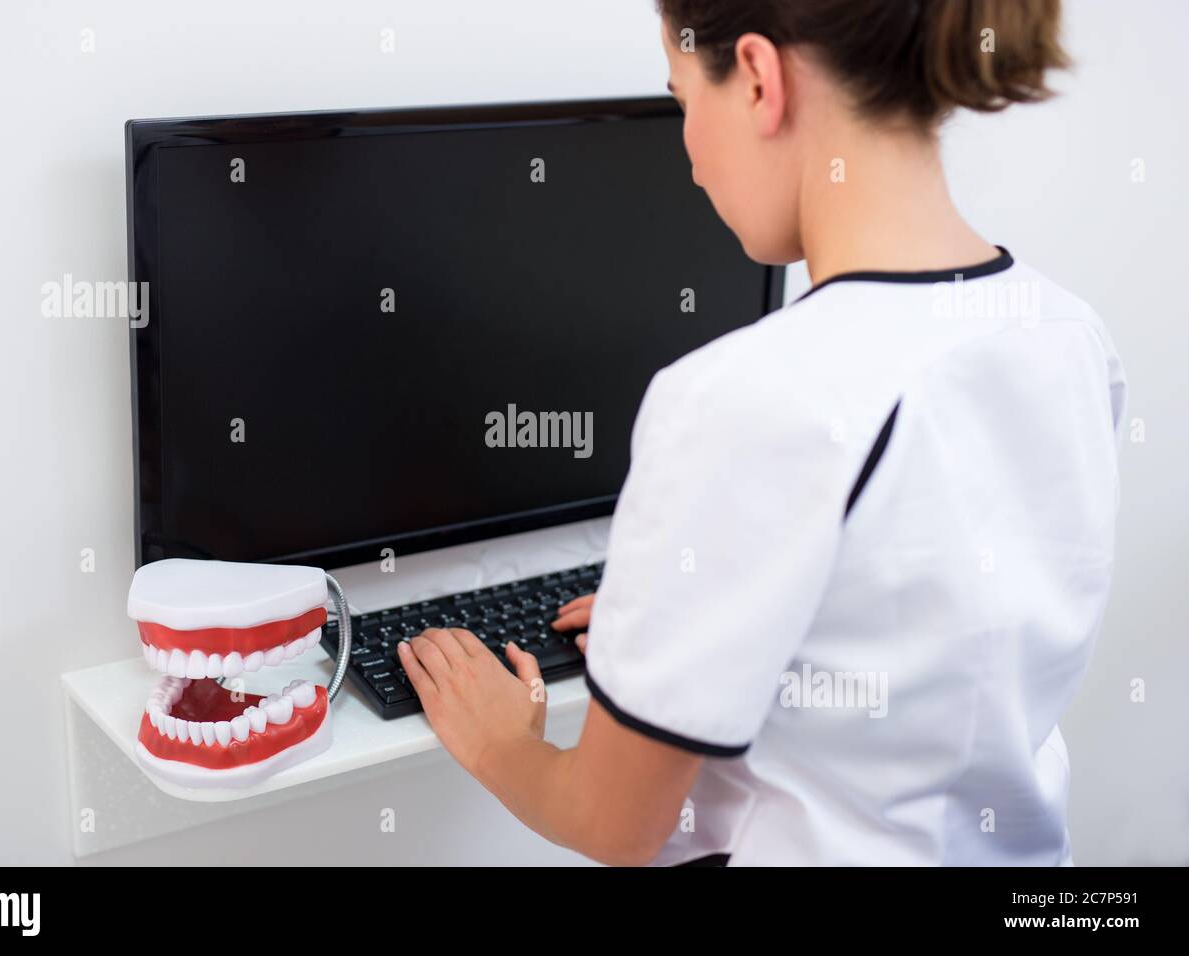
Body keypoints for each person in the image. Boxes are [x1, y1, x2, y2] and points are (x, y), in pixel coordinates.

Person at [396, 0, 1126, 866]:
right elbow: (928, 630)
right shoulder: (1067, 333)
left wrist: (500, 742)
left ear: (755, 78)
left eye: (682, 102)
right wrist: (685, 617)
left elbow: (611, 824)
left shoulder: (736, 399)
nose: (692, 159)